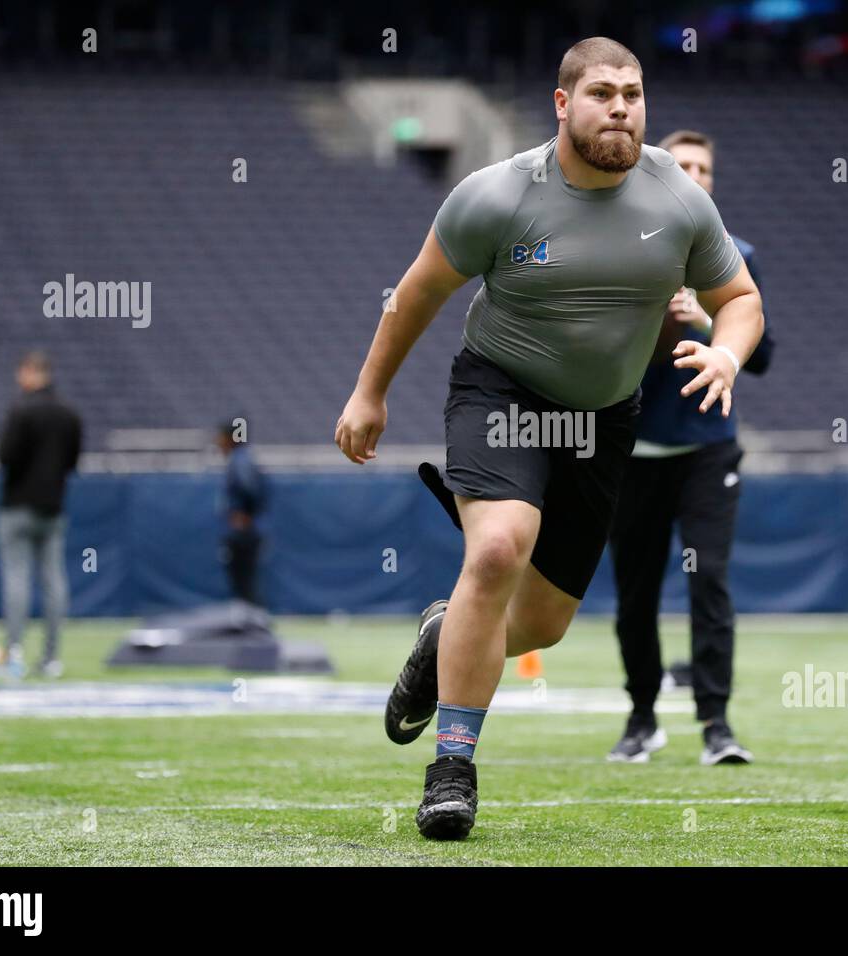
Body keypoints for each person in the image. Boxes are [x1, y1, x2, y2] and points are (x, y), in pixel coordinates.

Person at [335, 37, 765, 840]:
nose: (622, 109)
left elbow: (739, 296)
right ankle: (452, 769)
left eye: (634, 95)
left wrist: (726, 349)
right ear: (564, 105)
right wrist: (370, 392)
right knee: (498, 547)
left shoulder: (677, 198)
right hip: (504, 389)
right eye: (603, 93)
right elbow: (418, 293)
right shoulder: (496, 195)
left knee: (539, 623)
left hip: (604, 419)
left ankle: (441, 637)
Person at [607, 129, 776, 766]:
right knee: (636, 591)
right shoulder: (623, 249)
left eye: (705, 166)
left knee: (710, 582)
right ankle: (642, 716)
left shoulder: (736, 256)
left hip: (707, 448)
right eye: (683, 165)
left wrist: (710, 325)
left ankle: (716, 724)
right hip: (634, 447)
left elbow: (765, 357)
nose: (695, 175)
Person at [0, 351, 82, 679]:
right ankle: (51, 658)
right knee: (53, 580)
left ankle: (14, 654)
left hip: (17, 504)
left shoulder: (22, 410)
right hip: (53, 506)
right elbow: (72, 462)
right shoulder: (70, 414)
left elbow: (6, 457)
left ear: (30, 372)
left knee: (17, 577)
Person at [216, 419, 267, 605]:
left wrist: (243, 514)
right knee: (246, 583)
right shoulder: (244, 458)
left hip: (243, 532)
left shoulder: (239, 460)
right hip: (247, 531)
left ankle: (251, 627)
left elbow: (249, 489)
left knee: (243, 584)